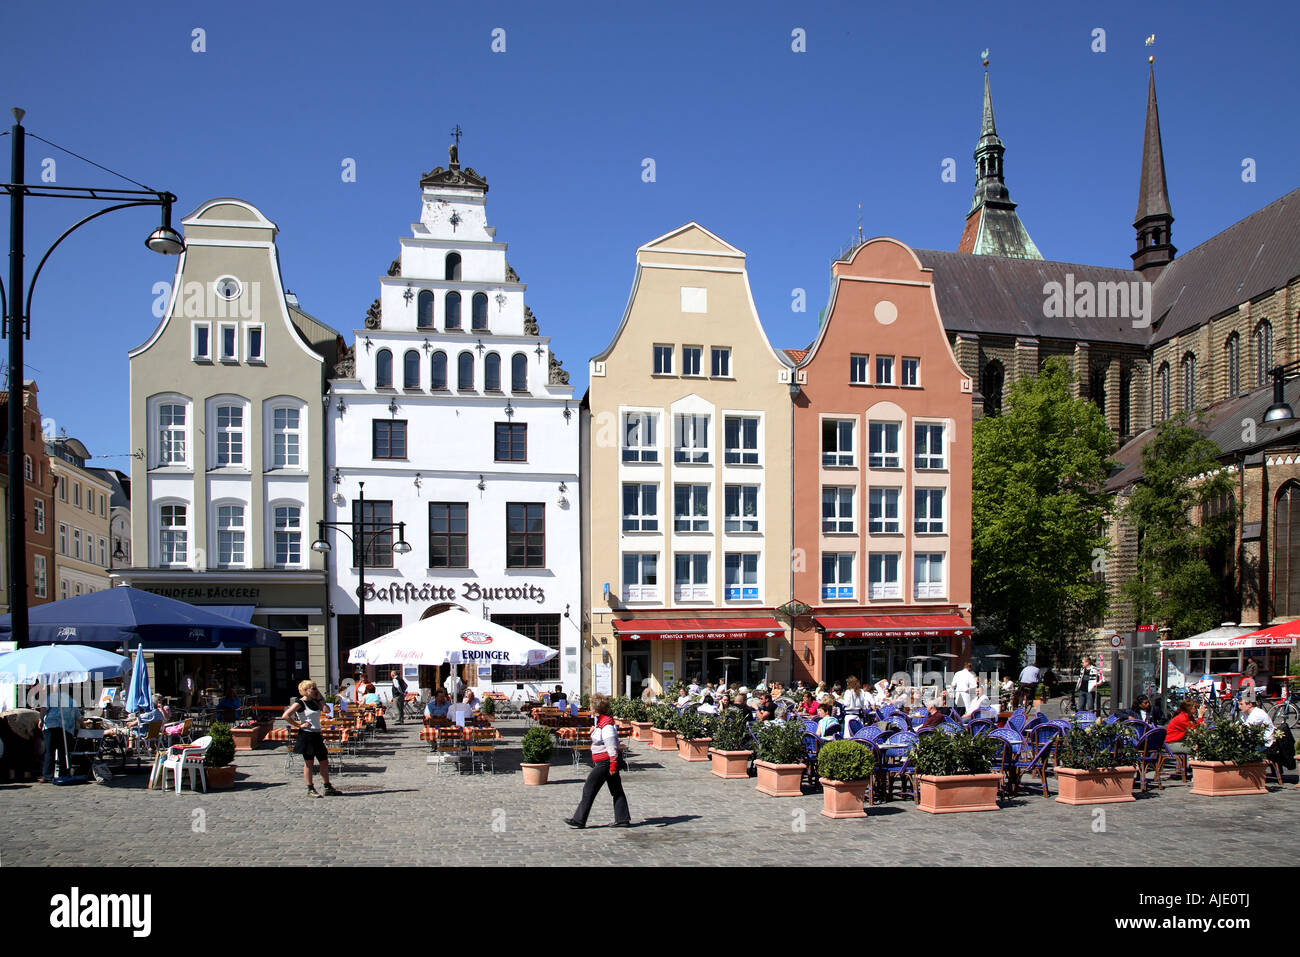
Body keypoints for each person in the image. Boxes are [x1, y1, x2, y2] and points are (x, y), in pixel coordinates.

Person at [565, 693, 631, 829]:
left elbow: (612, 746)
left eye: (591, 706)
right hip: (606, 762)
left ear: (595, 708)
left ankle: (579, 819)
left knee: (589, 788)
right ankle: (622, 819)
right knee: (616, 790)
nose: (589, 708)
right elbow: (600, 739)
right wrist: (593, 732)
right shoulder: (602, 722)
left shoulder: (606, 725)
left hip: (605, 762)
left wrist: (613, 765)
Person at [281, 680, 341, 798]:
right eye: (313, 688)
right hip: (306, 735)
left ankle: (327, 786)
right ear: (305, 690)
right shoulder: (300, 703)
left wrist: (320, 697)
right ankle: (310, 788)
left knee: (324, 761)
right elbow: (285, 715)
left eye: (315, 688)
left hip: (316, 735)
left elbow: (327, 710)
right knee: (309, 763)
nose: (315, 690)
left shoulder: (315, 701)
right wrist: (299, 725)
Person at [37, 685, 81, 783]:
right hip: (66, 729)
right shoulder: (72, 701)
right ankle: (63, 773)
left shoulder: (52, 697)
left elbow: (44, 709)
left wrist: (41, 720)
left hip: (51, 727)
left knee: (50, 751)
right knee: (63, 752)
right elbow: (78, 716)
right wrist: (83, 725)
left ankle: (48, 775)